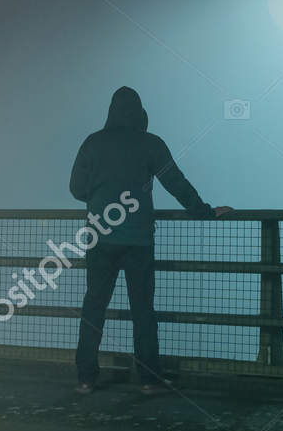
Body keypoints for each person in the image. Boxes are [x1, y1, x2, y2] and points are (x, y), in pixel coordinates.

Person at [68, 86, 228, 395]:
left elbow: (76, 188)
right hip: (139, 240)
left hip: (100, 237)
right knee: (143, 310)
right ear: (141, 114)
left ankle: (85, 377)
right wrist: (204, 212)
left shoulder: (93, 142)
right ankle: (148, 379)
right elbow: (175, 183)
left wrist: (102, 195)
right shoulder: (151, 144)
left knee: (94, 306)